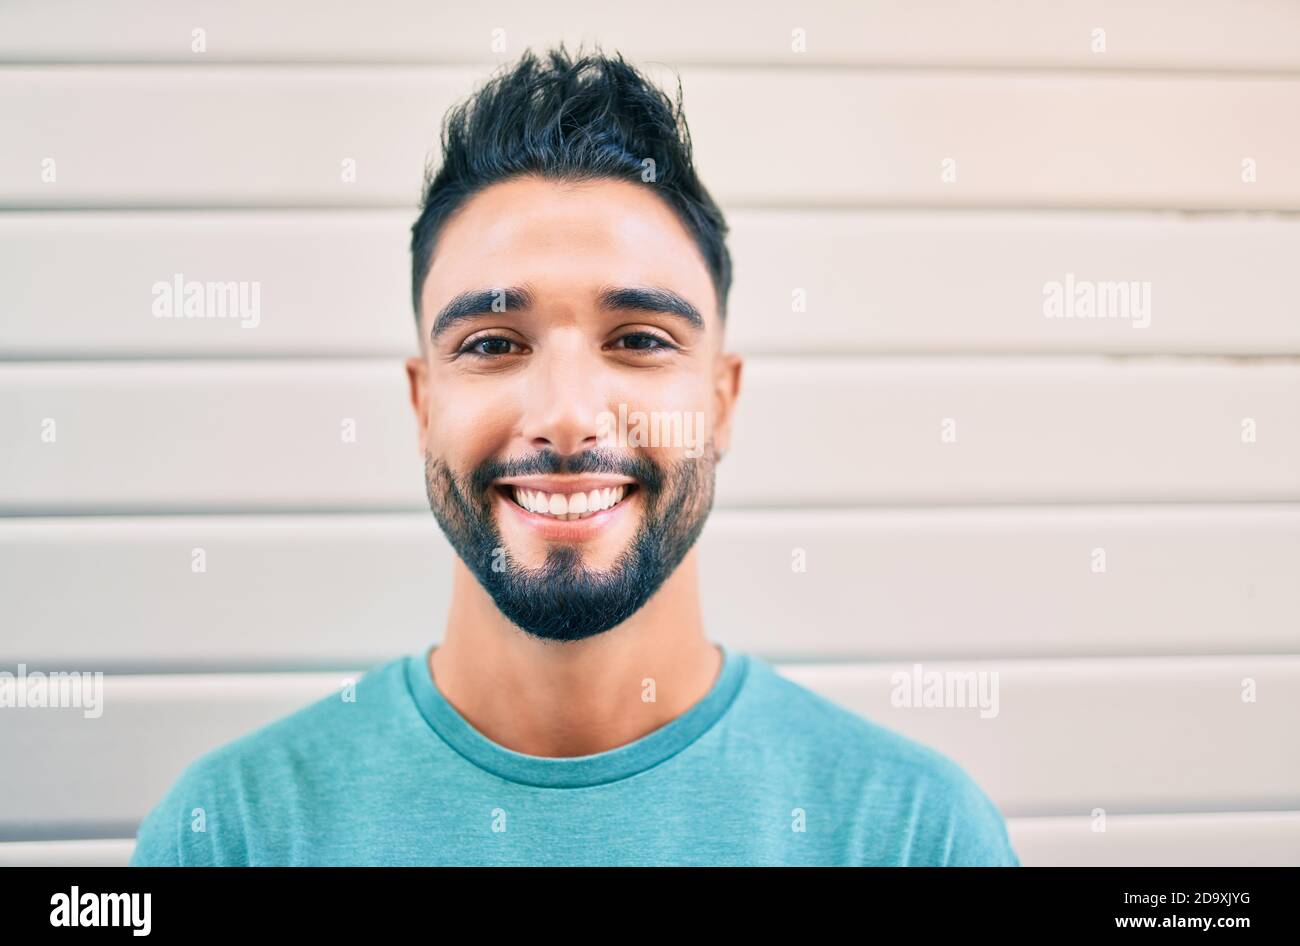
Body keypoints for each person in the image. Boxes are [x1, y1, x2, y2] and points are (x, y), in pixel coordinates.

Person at [130, 43, 1019, 866]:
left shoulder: (912, 836)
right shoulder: (233, 833)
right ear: (421, 402)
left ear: (720, 402)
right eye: (491, 343)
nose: (565, 417)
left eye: (638, 338)